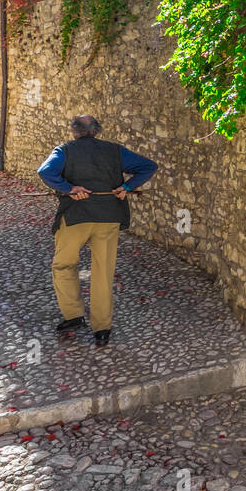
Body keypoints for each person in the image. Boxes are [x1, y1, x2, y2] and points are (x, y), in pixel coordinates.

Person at [37, 115, 157, 346]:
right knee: (103, 272)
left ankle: (73, 315)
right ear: (97, 131)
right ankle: (102, 329)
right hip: (109, 217)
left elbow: (45, 172)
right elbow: (148, 166)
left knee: (63, 265)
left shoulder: (64, 150)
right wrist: (126, 187)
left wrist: (69, 188)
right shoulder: (115, 151)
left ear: (74, 131)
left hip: (75, 218)